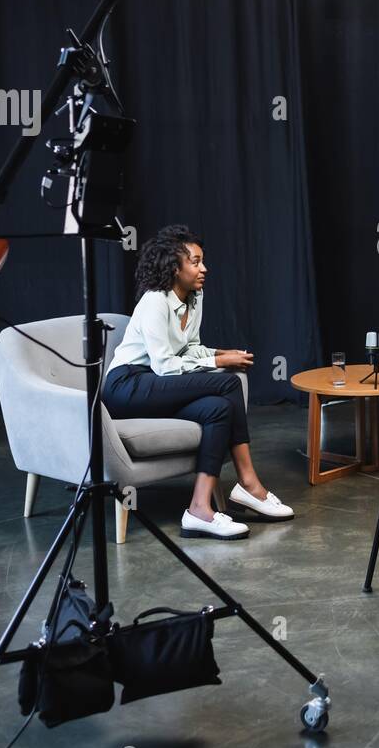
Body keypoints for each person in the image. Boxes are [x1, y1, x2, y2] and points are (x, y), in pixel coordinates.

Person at [103, 224, 293, 540]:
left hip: (156, 385)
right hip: (127, 387)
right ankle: (249, 484)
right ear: (174, 267)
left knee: (217, 409)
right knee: (229, 383)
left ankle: (198, 510)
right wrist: (219, 363)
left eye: (202, 260)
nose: (203, 268)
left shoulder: (195, 296)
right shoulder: (155, 301)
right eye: (195, 261)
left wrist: (220, 352)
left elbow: (189, 348)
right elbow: (165, 365)